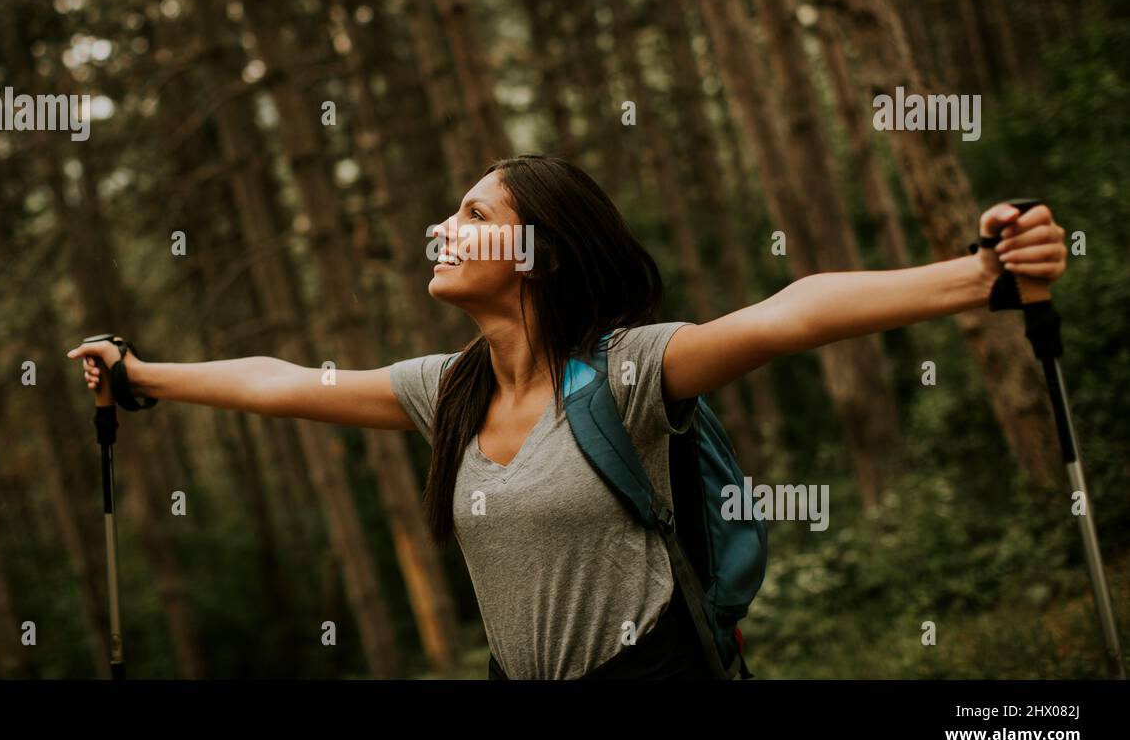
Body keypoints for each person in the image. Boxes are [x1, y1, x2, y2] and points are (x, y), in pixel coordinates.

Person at [67, 154, 1068, 679]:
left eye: (474, 215)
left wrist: (980, 276)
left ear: (539, 251)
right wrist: (143, 372)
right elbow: (285, 380)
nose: (444, 226)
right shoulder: (446, 390)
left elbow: (789, 311)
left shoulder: (628, 373)